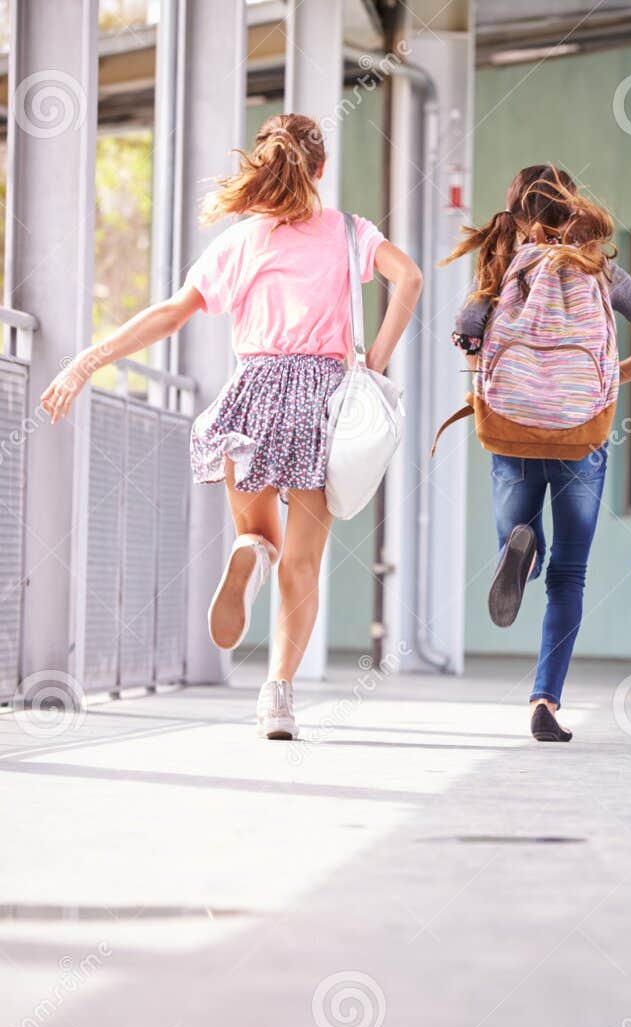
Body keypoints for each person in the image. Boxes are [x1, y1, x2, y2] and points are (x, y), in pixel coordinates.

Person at [42, 113, 422, 741]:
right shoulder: (349, 232)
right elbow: (407, 277)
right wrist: (374, 359)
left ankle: (248, 555)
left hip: (250, 394)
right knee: (302, 565)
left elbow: (170, 314)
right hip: (320, 403)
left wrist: (89, 359)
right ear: (321, 169)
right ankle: (278, 695)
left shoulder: (242, 242)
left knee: (259, 537)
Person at [444, 165, 631, 742]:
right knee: (571, 575)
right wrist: (616, 375)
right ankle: (546, 701)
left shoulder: (501, 266)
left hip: (513, 427)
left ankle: (520, 553)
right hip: (581, 431)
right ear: (573, 208)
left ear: (516, 212)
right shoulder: (598, 266)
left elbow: (469, 336)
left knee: (520, 538)